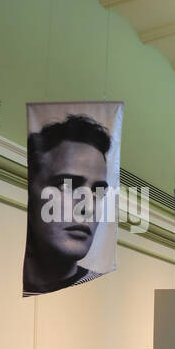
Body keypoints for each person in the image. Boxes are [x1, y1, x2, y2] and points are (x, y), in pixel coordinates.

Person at [24, 114, 112, 296]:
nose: (87, 208)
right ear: (31, 192)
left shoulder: (100, 294)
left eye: (98, 192)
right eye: (67, 186)